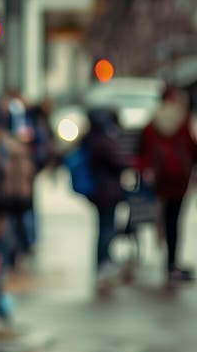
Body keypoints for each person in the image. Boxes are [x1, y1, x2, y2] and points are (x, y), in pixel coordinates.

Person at [138, 85, 196, 283]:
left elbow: (143, 151)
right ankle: (172, 264)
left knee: (164, 218)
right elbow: (191, 148)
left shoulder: (152, 122)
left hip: (160, 179)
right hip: (180, 179)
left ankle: (168, 260)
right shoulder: (182, 120)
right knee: (175, 220)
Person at [84, 108, 128, 288]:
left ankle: (104, 259)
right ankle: (103, 262)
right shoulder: (103, 141)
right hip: (106, 192)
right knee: (106, 228)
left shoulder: (90, 139)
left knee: (104, 227)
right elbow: (117, 162)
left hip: (100, 192)